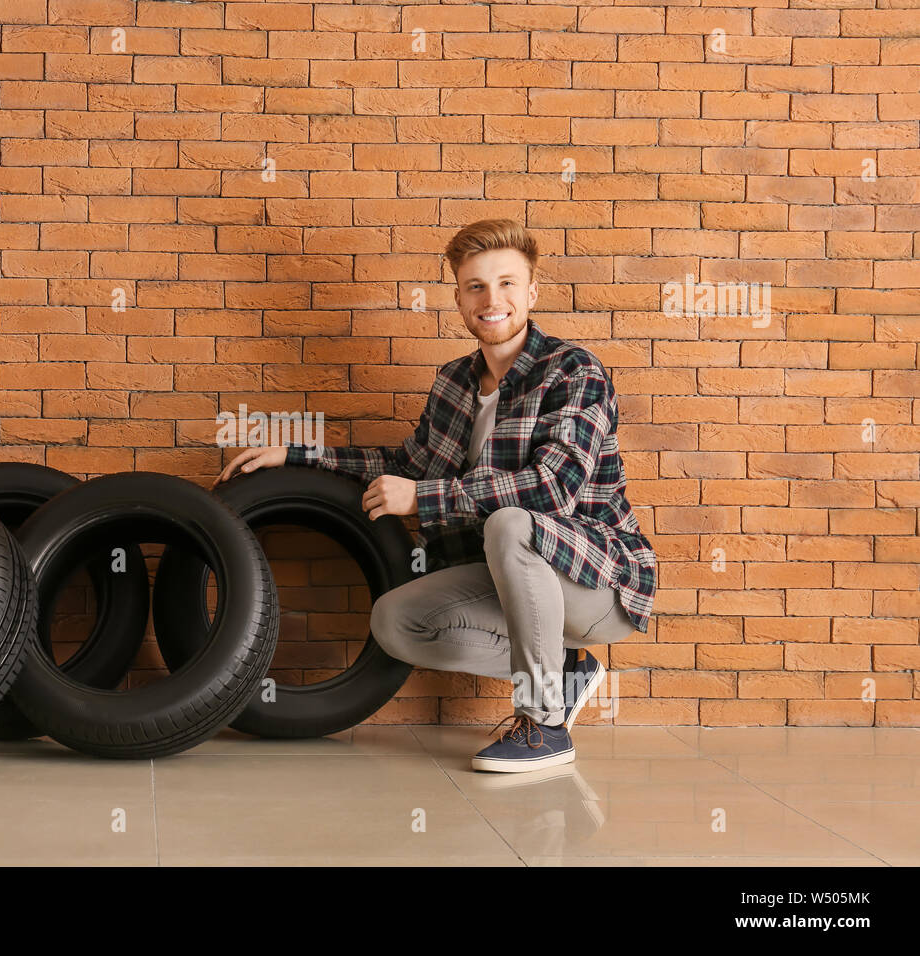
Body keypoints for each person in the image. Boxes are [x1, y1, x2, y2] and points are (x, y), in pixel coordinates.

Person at [214, 218, 657, 773]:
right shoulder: (453, 382)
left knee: (511, 523)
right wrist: (297, 455)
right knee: (395, 621)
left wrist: (425, 500)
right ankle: (563, 671)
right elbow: (405, 467)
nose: (491, 299)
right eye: (476, 286)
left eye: (506, 283)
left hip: (597, 582)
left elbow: (552, 489)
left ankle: (544, 725)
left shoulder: (573, 372)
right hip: (511, 581)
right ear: (458, 298)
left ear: (532, 292)